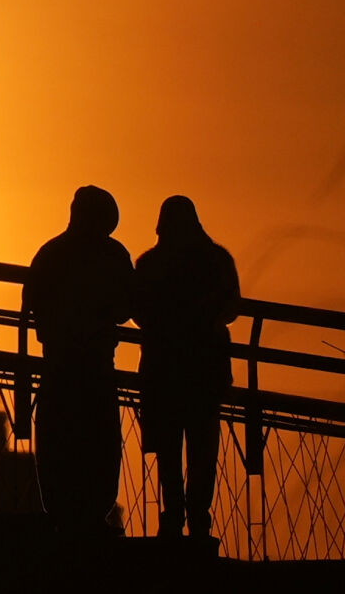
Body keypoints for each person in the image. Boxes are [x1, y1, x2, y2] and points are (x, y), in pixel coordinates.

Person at [22, 186, 133, 530]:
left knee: (58, 442)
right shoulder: (113, 255)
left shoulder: (49, 253)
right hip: (97, 367)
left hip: (58, 365)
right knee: (99, 444)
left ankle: (60, 515)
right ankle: (92, 515)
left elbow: (32, 306)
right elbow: (126, 307)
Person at [133, 196, 240, 540]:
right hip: (205, 368)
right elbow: (232, 307)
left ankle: (173, 513)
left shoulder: (149, 263)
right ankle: (199, 516)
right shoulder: (217, 260)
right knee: (203, 447)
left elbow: (137, 311)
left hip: (162, 368)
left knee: (167, 446)